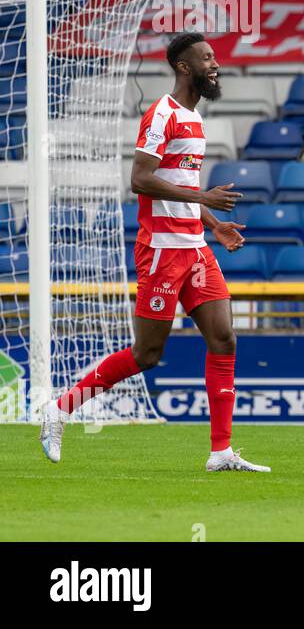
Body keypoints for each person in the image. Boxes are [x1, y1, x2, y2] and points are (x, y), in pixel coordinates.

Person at [38, 32, 270, 472]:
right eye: (207, 58)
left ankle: (220, 451)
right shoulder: (161, 115)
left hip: (195, 248)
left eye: (214, 57)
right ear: (184, 67)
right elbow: (140, 179)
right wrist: (204, 200)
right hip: (162, 252)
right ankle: (61, 408)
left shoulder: (195, 119)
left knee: (224, 338)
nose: (215, 64)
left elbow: (179, 190)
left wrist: (214, 225)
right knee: (148, 354)